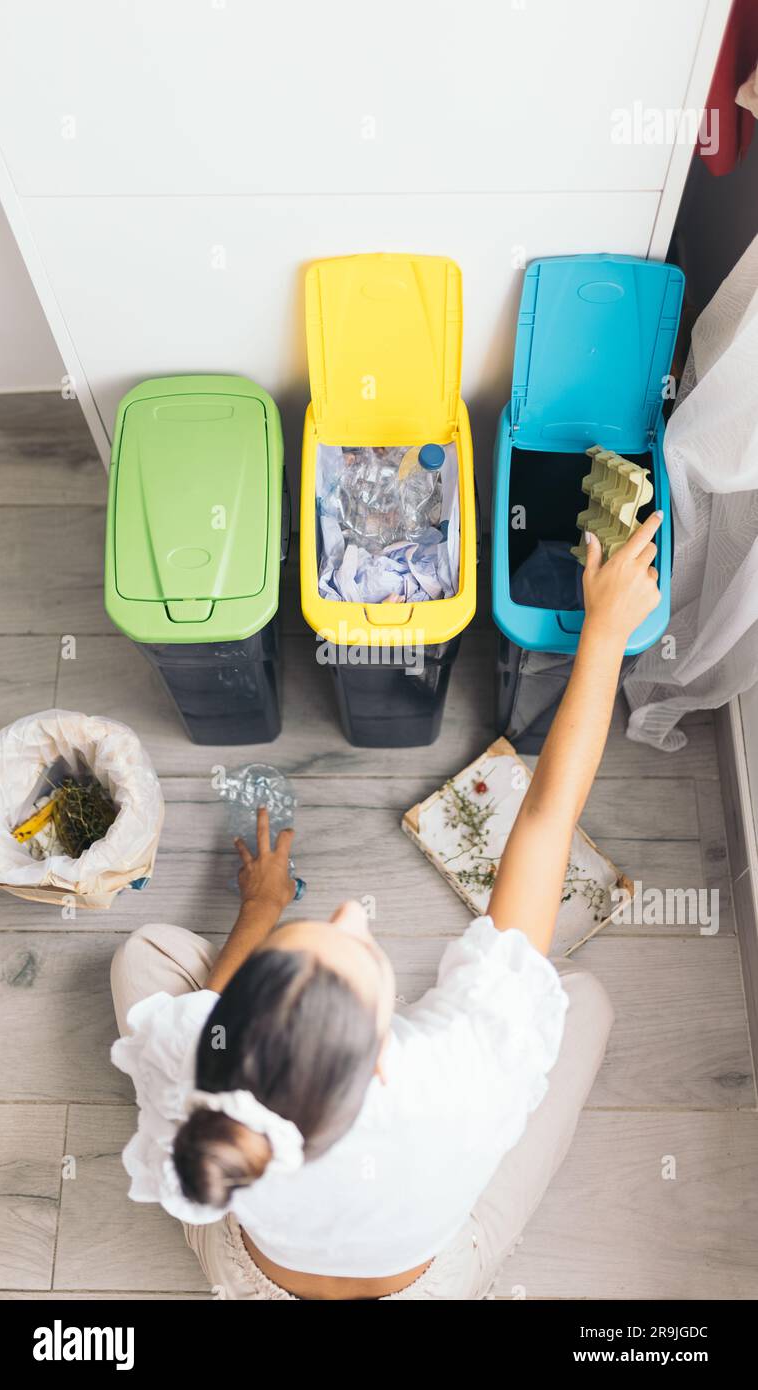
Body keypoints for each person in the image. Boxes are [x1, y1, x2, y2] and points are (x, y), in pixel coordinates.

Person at [111, 514, 663, 1301]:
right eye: (359, 948)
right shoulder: (462, 1069)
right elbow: (543, 819)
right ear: (381, 1056)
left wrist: (259, 907)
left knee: (142, 956)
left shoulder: (202, 1082)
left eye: (309, 935)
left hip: (257, 1278)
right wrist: (604, 633)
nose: (349, 913)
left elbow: (206, 1010)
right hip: (427, 1287)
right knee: (581, 999)